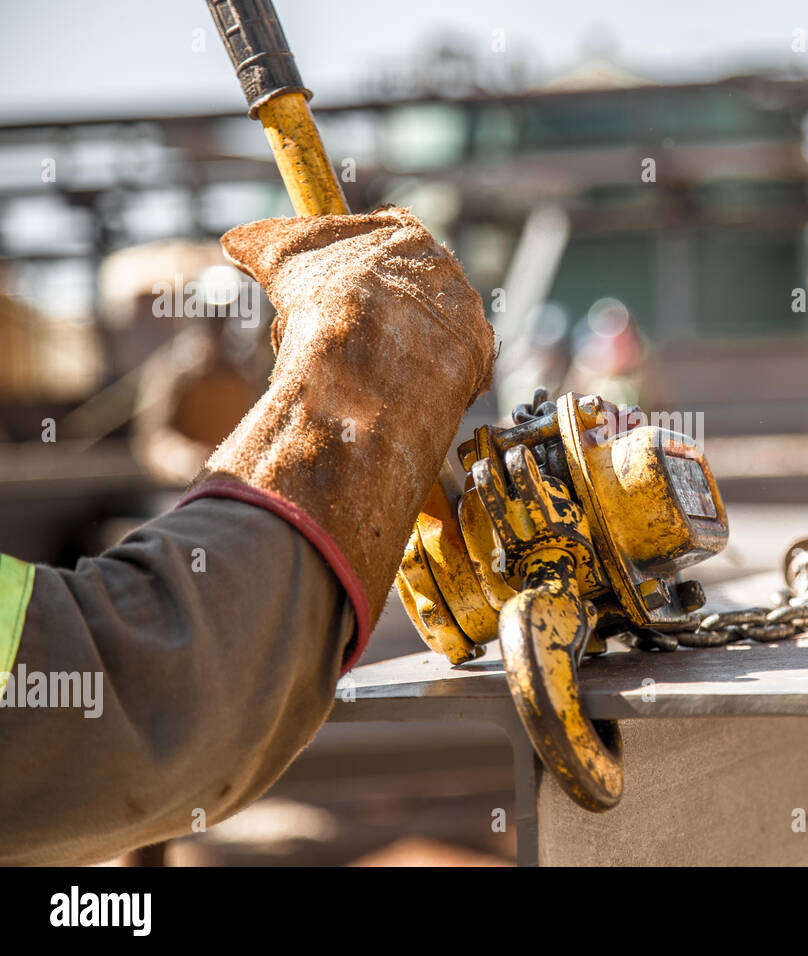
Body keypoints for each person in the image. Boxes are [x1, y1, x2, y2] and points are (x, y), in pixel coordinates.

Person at [0, 207, 495, 865]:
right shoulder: (176, 375)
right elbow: (142, 698)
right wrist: (331, 415)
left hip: (235, 511)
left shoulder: (241, 369)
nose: (213, 334)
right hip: (210, 513)